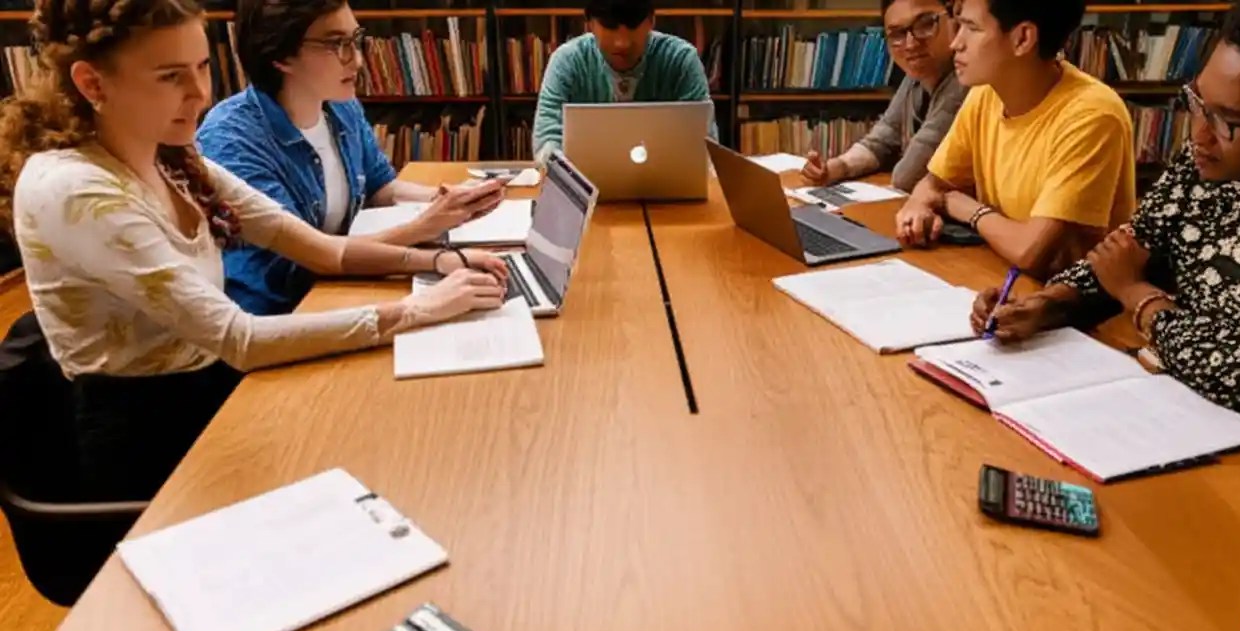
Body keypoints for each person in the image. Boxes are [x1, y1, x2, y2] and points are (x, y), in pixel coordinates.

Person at [0, 0, 510, 500]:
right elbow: (239, 338)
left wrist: (443, 261)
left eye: (202, 67)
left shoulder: (170, 153)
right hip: (149, 442)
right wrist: (417, 310)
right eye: (170, 76)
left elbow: (322, 252)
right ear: (92, 84)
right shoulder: (77, 190)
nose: (200, 93)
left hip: (212, 391)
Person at [970, 0, 1240, 425]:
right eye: (1198, 103)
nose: (1200, 133)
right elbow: (1126, 253)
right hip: (1170, 405)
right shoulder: (1205, 164)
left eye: (1229, 120)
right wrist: (1045, 305)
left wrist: (1137, 295)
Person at [198, 0, 505, 316]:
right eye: (336, 44)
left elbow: (380, 186)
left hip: (341, 287)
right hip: (284, 311)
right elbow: (307, 259)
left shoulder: (340, 106)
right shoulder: (231, 141)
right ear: (281, 56)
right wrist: (420, 229)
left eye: (355, 40)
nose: (357, 60)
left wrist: (446, 199)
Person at [896, 0, 1136, 280]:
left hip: (1077, 303)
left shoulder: (1093, 114)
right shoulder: (986, 93)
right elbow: (933, 184)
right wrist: (918, 206)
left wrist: (969, 210)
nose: (955, 44)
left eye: (971, 28)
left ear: (1022, 38)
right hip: (1003, 278)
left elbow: (1031, 252)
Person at [801, 0, 966, 192]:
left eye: (926, 24)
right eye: (897, 34)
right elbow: (882, 139)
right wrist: (836, 168)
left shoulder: (965, 81)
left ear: (956, 19)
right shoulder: (916, 77)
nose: (910, 44)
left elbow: (909, 177)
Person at [532, 0, 717, 162]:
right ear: (589, 25)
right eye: (610, 27)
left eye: (633, 26)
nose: (622, 42)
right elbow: (546, 142)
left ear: (651, 21)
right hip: (587, 194)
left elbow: (705, 144)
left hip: (670, 192)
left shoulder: (681, 60)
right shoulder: (566, 61)